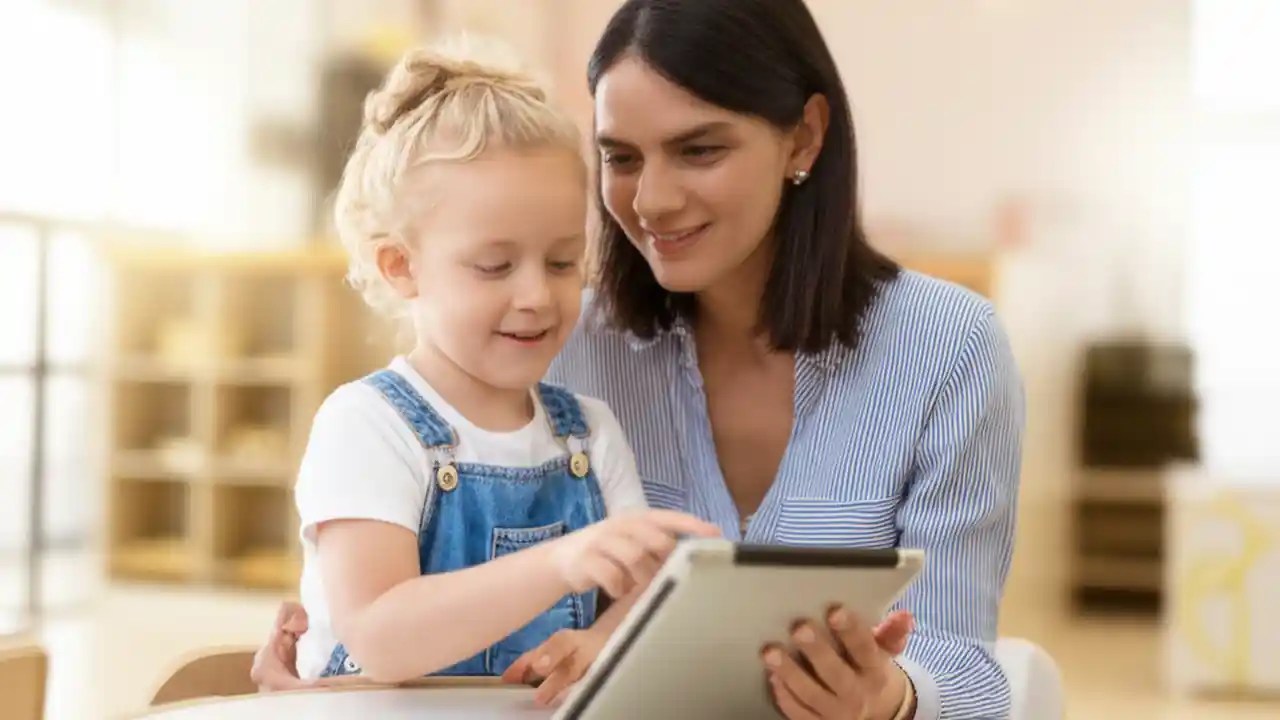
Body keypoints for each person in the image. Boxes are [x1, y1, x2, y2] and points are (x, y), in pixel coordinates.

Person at [257, 0, 1024, 717]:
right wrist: (326, 670)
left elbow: (968, 672)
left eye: (699, 149)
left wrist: (891, 699)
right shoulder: (549, 344)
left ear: (803, 138)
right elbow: (395, 605)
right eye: (621, 158)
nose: (651, 201)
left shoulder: (948, 348)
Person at [287, 38, 719, 684]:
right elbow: (380, 639)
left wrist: (602, 640)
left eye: (563, 262)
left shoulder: (589, 433)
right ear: (401, 266)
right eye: (494, 265)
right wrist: (558, 563)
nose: (537, 295)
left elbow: (648, 592)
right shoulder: (367, 425)